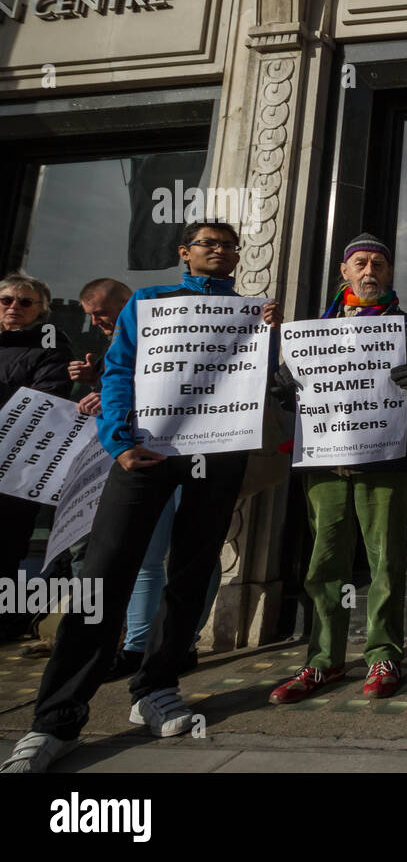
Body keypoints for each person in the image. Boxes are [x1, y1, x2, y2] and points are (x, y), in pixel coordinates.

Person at [1, 221, 282, 773]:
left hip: (215, 453)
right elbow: (118, 372)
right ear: (186, 253)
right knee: (104, 572)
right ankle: (55, 720)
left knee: (193, 570)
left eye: (229, 245)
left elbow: (256, 383)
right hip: (142, 452)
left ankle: (155, 687)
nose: (220, 251)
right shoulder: (151, 302)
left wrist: (269, 336)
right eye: (209, 244)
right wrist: (119, 442)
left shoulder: (249, 311)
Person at [267, 233, 407, 704]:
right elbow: (293, 392)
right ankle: (323, 660)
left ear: (390, 273)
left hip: (387, 462)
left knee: (385, 562)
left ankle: (384, 654)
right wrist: (283, 386)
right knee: (324, 563)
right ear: (344, 271)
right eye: (361, 262)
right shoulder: (314, 331)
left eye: (380, 264)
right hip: (326, 464)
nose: (370, 271)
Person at [68, 278, 219, 681]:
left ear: (127, 301)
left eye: (102, 312)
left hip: (206, 449)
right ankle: (137, 647)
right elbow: (123, 379)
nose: (97, 321)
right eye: (91, 316)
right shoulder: (122, 342)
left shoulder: (166, 316)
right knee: (148, 557)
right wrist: (109, 416)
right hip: (144, 453)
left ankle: (182, 641)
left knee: (197, 554)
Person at [0, 272, 74, 641]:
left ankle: (7, 620)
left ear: (41, 311)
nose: (14, 307)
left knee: (7, 544)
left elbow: (47, 401)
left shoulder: (50, 347)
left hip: (15, 464)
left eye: (25, 302)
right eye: (7, 300)